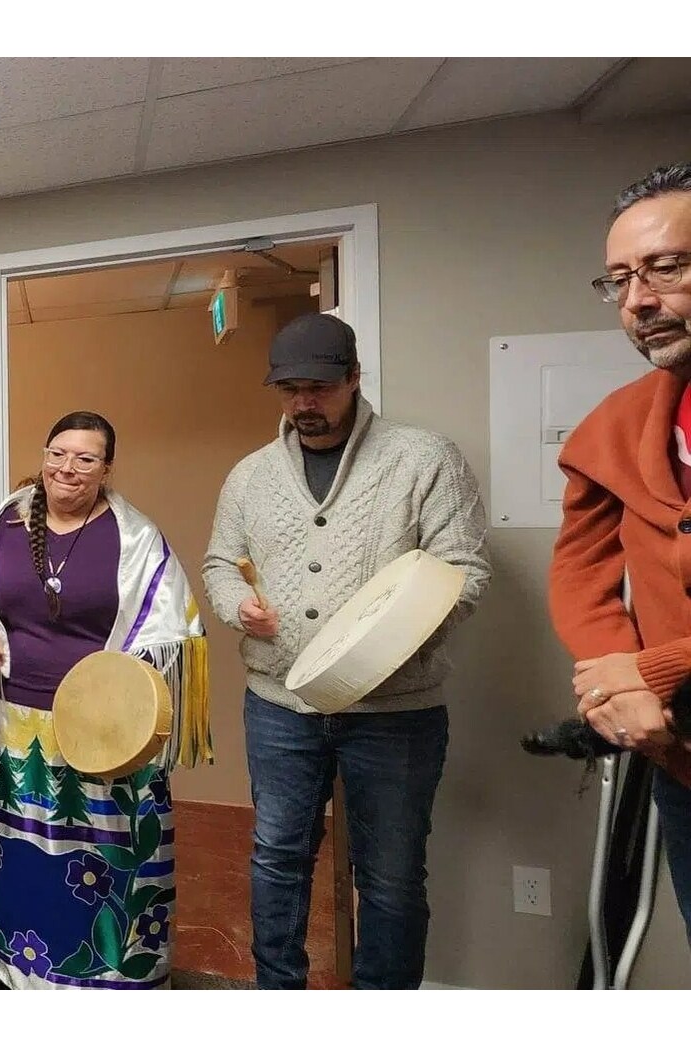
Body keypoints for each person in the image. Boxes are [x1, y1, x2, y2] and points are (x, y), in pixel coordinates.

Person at [203, 312, 489, 990]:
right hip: (279, 704)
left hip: (396, 711)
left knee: (390, 875)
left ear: (355, 377)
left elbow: (466, 571)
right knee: (277, 858)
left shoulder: (425, 458)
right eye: (289, 389)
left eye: (320, 387)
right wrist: (236, 605)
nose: (305, 403)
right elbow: (219, 563)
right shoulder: (250, 475)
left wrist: (384, 641)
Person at [0, 411, 206, 990]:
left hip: (101, 730)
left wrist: (119, 693)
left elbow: (171, 625)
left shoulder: (136, 538)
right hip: (9, 727)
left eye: (86, 458)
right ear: (44, 457)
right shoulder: (1, 524)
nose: (68, 468)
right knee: (10, 851)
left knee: (99, 859)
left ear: (106, 468)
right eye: (58, 454)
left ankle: (103, 979)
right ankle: (9, 962)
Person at [550, 163, 691, 940]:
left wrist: (650, 672)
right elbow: (581, 570)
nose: (638, 300)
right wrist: (616, 674)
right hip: (682, 760)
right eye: (620, 280)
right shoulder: (617, 426)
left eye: (666, 267)